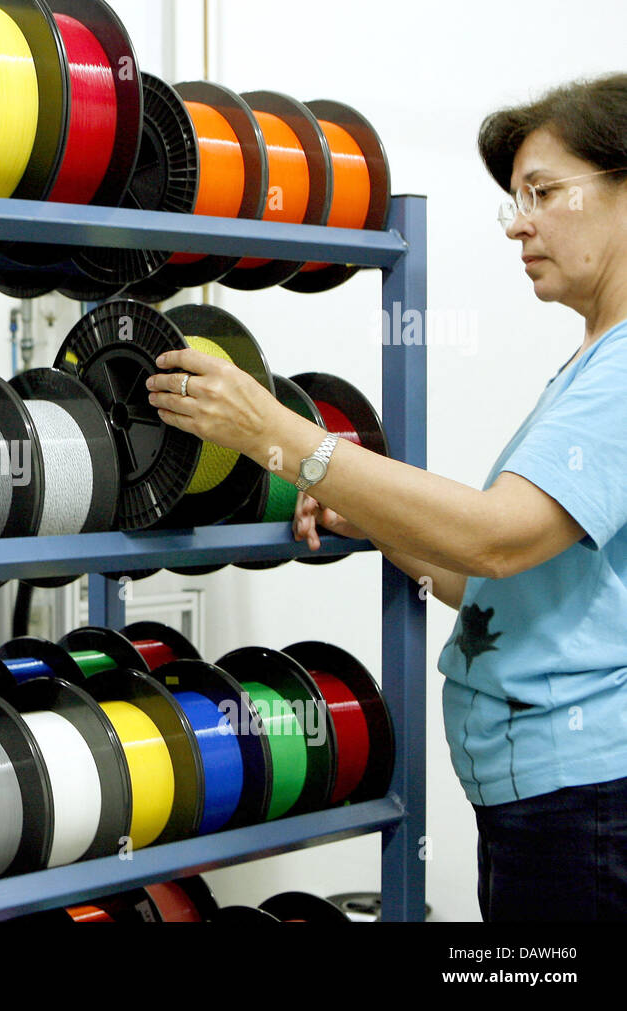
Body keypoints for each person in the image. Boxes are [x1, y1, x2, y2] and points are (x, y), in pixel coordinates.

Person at [145, 74, 627, 922]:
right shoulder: (588, 367)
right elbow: (505, 585)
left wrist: (277, 434)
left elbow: (497, 539)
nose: (518, 222)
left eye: (545, 193)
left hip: (588, 809)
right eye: (514, 199)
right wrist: (365, 513)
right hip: (542, 804)